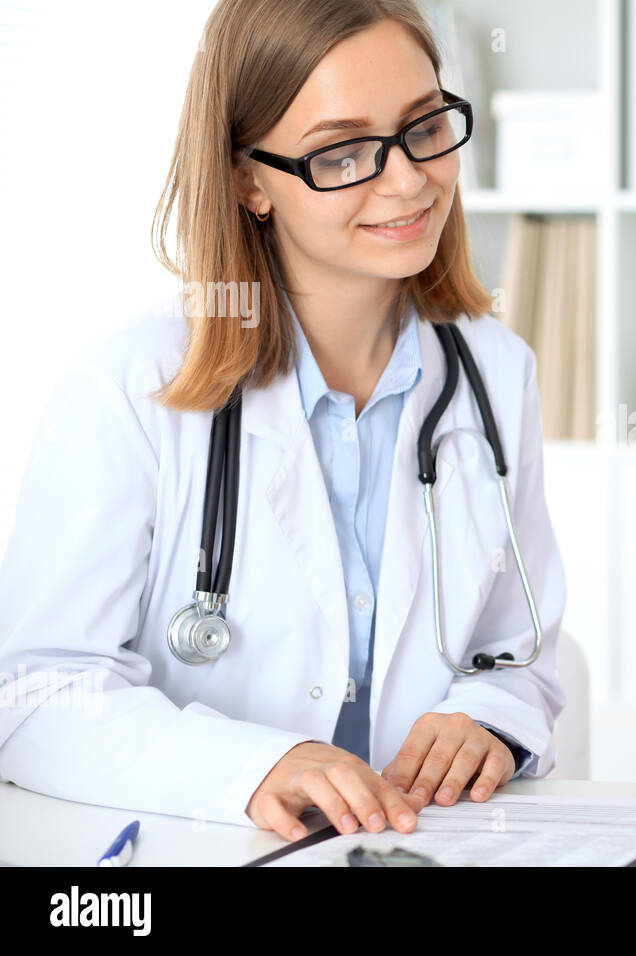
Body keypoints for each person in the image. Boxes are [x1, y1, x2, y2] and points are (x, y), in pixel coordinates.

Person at [0, 0, 566, 842]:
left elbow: (517, 656)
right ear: (247, 181)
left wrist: (487, 720)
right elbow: (38, 693)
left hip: (422, 846)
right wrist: (249, 766)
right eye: (341, 152)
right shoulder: (131, 386)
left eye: (423, 126)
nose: (408, 179)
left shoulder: (494, 372)